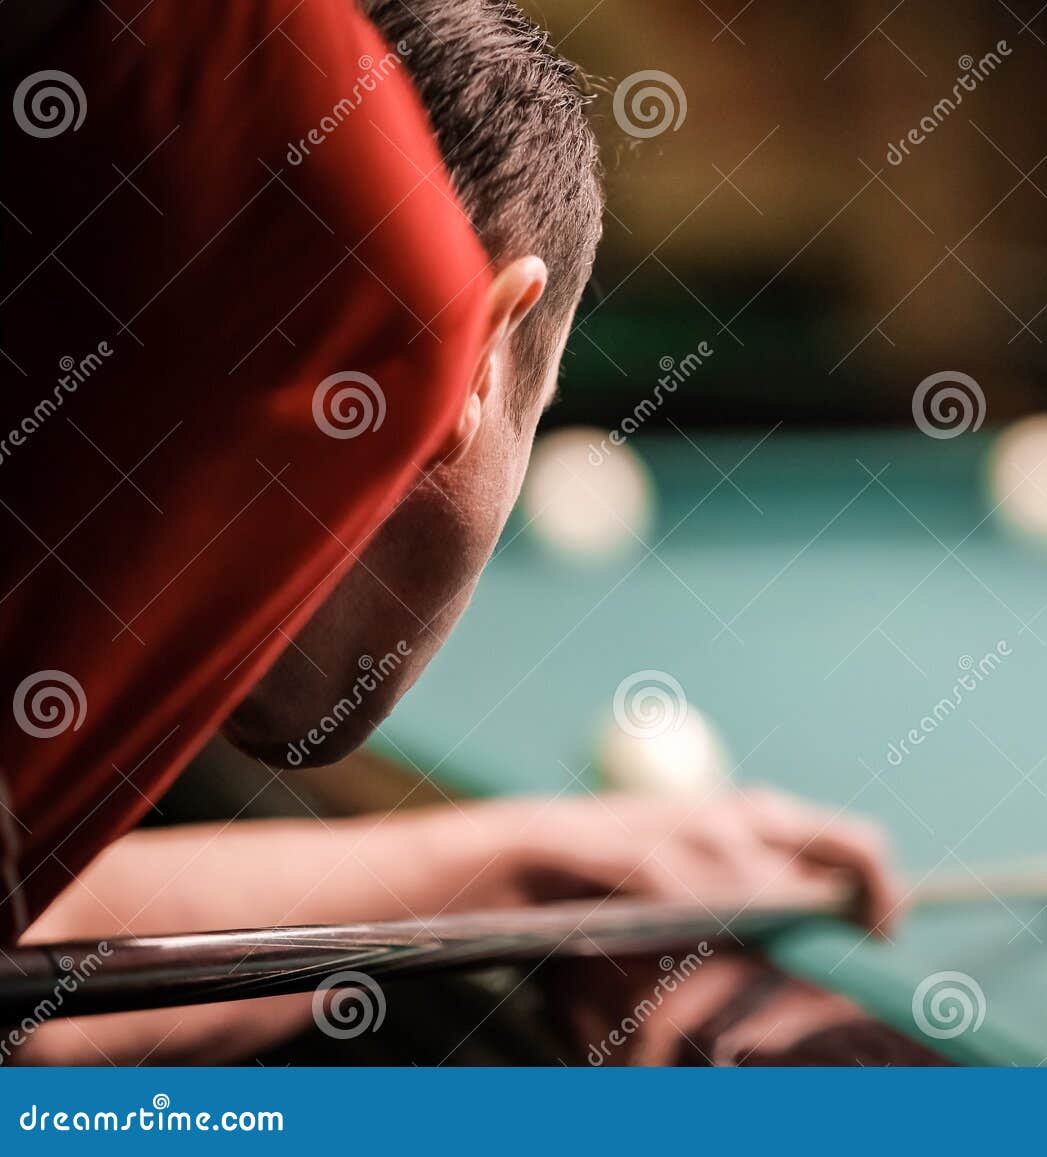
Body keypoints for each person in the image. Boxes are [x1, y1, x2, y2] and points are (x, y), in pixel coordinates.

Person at [0, 0, 900, 1064]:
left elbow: (32, 965)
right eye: (541, 400)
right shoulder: (395, 274)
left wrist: (521, 861)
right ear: (486, 347)